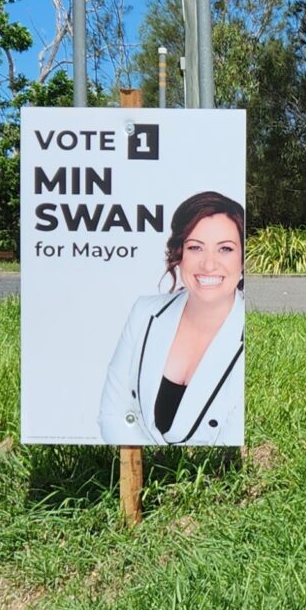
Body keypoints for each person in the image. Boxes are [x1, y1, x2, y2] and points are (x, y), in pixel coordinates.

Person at [98, 191, 246, 447]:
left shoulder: (253, 331)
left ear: (243, 259)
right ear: (179, 253)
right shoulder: (144, 313)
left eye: (225, 249)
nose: (209, 264)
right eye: (195, 247)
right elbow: (112, 414)